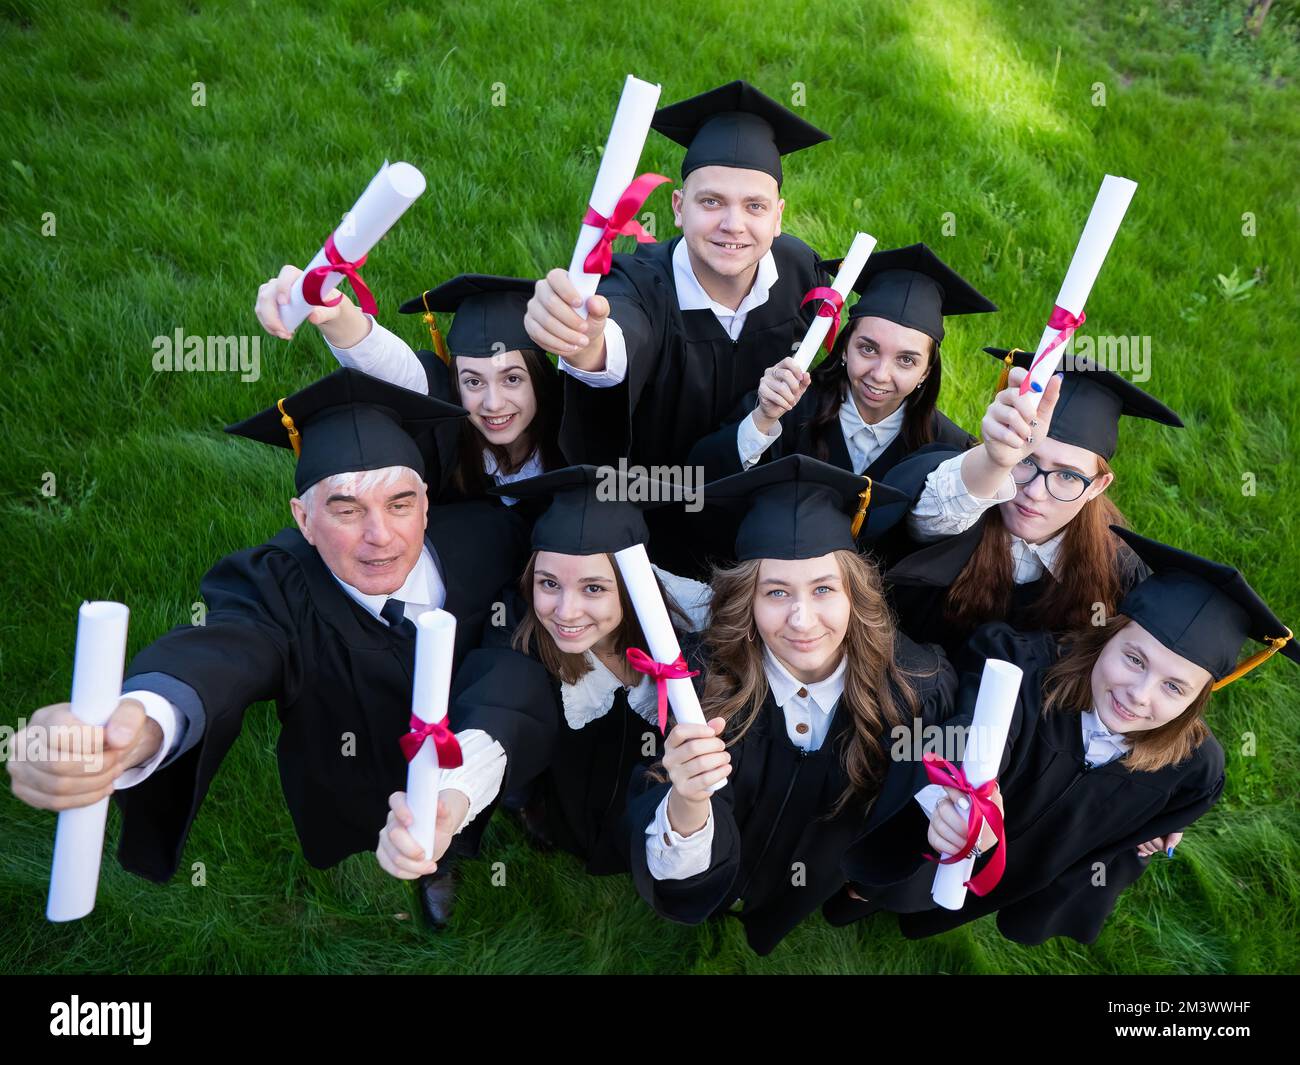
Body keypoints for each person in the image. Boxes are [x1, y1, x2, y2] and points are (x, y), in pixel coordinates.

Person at [5, 370, 537, 929]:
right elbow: (227, 650)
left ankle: (516, 799)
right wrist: (137, 727)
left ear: (427, 504)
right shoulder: (276, 587)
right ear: (303, 520)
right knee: (402, 821)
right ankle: (434, 866)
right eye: (347, 510)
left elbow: (522, 650)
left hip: (479, 718)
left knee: (505, 754)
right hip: (361, 755)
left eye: (399, 504)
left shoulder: (487, 539)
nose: (380, 536)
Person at [844, 527, 1296, 945]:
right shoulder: (1019, 666)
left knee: (934, 918)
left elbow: (1128, 844)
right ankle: (868, 896)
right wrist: (960, 792)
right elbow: (969, 729)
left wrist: (1152, 831)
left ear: (1198, 700)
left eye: (1173, 687)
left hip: (1020, 872)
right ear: (1108, 637)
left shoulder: (1195, 772)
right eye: (1135, 659)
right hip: (945, 833)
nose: (1138, 696)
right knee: (891, 888)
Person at [622, 455, 957, 955]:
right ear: (747, 603)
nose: (802, 620)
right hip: (721, 859)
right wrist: (687, 799)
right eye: (776, 592)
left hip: (822, 874)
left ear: (854, 595)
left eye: (824, 589)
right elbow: (660, 794)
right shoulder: (699, 679)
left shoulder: (915, 687)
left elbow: (915, 811)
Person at [376, 465, 710, 877]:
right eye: (549, 583)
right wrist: (450, 797)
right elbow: (499, 703)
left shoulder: (695, 619)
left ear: (630, 587)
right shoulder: (519, 625)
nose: (565, 613)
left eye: (593, 588)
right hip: (564, 785)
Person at [522, 81, 829, 519]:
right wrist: (585, 339)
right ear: (678, 207)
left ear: (778, 216)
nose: (733, 224)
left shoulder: (800, 269)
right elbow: (618, 330)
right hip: (655, 509)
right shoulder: (638, 282)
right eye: (712, 201)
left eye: (754, 207)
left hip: (764, 506)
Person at [878, 350, 1183, 655]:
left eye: (1068, 476)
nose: (1036, 492)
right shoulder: (967, 500)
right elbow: (931, 513)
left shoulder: (1116, 572)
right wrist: (992, 462)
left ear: (1098, 486)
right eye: (1025, 460)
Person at [255, 269, 564, 516]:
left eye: (512, 379)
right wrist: (336, 314)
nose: (493, 404)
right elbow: (395, 369)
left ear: (538, 378)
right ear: (454, 382)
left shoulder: (572, 428)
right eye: (473, 381)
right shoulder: (446, 423)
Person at [688, 243, 994, 482]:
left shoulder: (947, 449)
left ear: (926, 372)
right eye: (868, 349)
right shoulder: (789, 407)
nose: (880, 375)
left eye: (905, 360)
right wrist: (763, 420)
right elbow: (700, 476)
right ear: (845, 347)